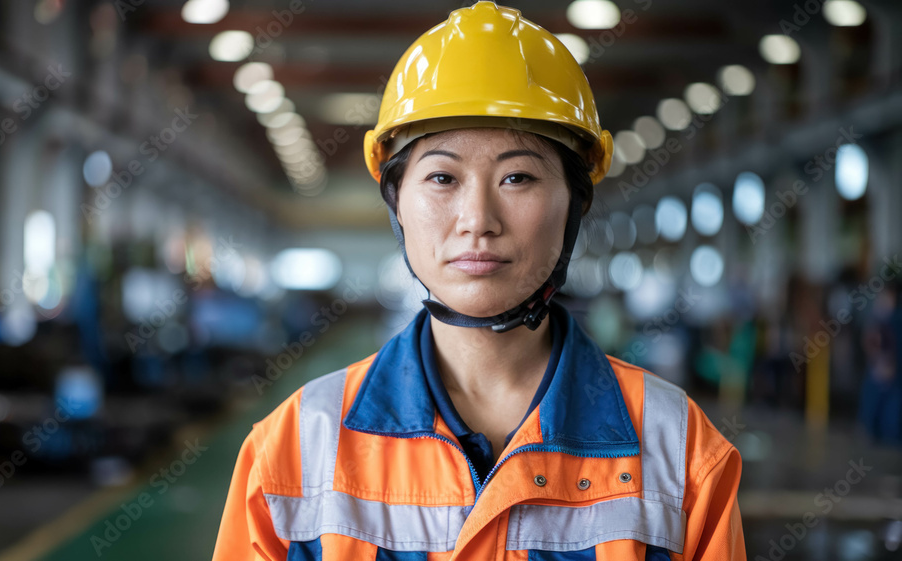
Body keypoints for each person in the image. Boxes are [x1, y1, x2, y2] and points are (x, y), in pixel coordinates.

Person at [212, 2, 746, 559]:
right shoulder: (295, 447)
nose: (478, 220)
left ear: (575, 203)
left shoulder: (679, 450)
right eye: (442, 176)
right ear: (397, 204)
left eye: (518, 177)